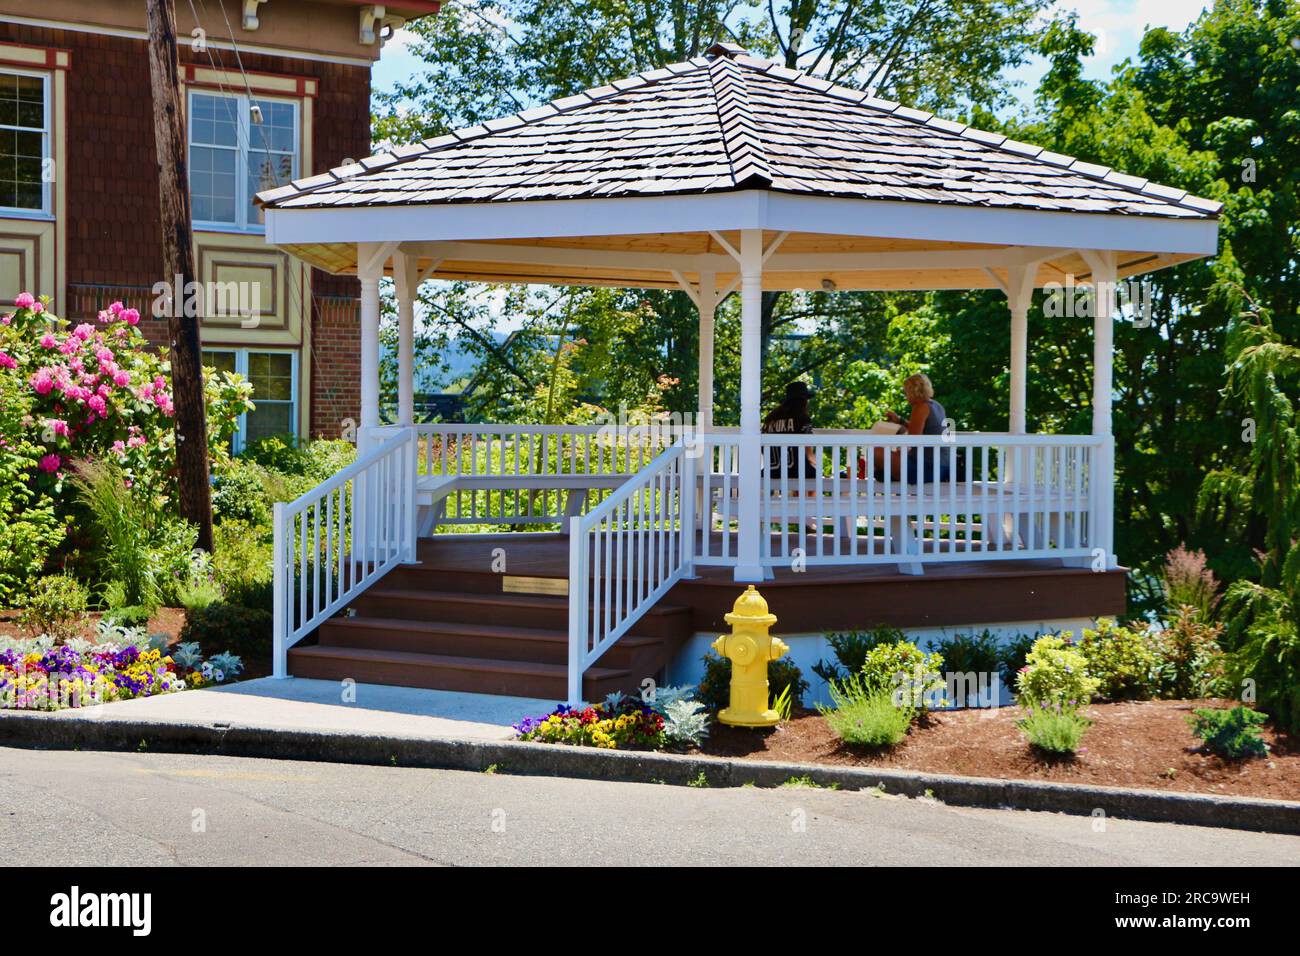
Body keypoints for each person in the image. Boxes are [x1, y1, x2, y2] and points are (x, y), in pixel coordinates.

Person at [872, 373, 952, 483]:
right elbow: (920, 429)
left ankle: (884, 476)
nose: (905, 396)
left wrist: (901, 452)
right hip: (943, 467)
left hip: (927, 469)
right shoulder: (936, 406)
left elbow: (912, 440)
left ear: (912, 391)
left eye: (906, 392)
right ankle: (886, 475)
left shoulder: (920, 407)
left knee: (876, 452)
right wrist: (900, 420)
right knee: (888, 458)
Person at [763, 381, 817, 483]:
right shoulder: (802, 419)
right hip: (797, 470)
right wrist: (819, 467)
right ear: (803, 401)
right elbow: (809, 453)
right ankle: (803, 499)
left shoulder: (769, 419)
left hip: (771, 471)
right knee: (814, 477)